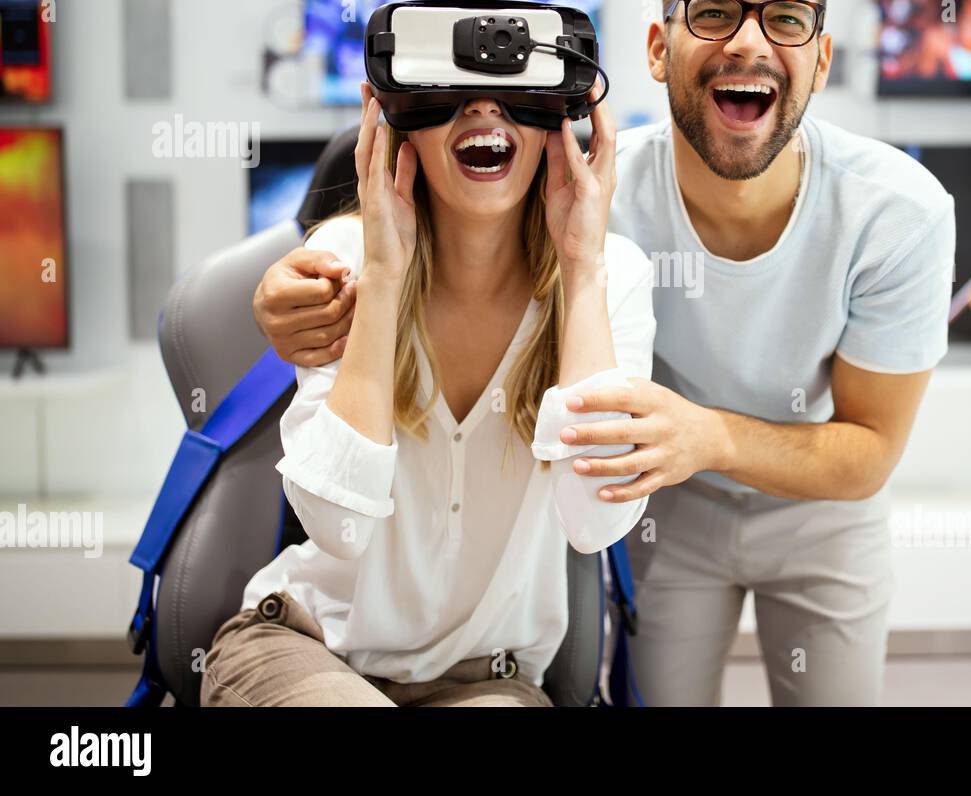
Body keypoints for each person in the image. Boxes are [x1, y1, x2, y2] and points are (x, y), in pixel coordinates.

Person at [252, 0, 955, 706]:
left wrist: (709, 436)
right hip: (667, 505)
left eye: (787, 18)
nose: (748, 43)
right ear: (658, 48)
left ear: (821, 56)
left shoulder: (896, 212)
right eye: (715, 12)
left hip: (814, 506)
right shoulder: (588, 192)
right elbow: (410, 226)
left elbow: (869, 449)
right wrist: (280, 286)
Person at [201, 75, 656, 706]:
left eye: (515, 87)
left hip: (489, 679)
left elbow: (595, 522)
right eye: (447, 87)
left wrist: (581, 268)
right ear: (399, 119)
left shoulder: (613, 273)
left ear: (561, 119)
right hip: (310, 643)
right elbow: (341, 529)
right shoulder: (346, 258)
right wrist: (385, 273)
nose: (483, 106)